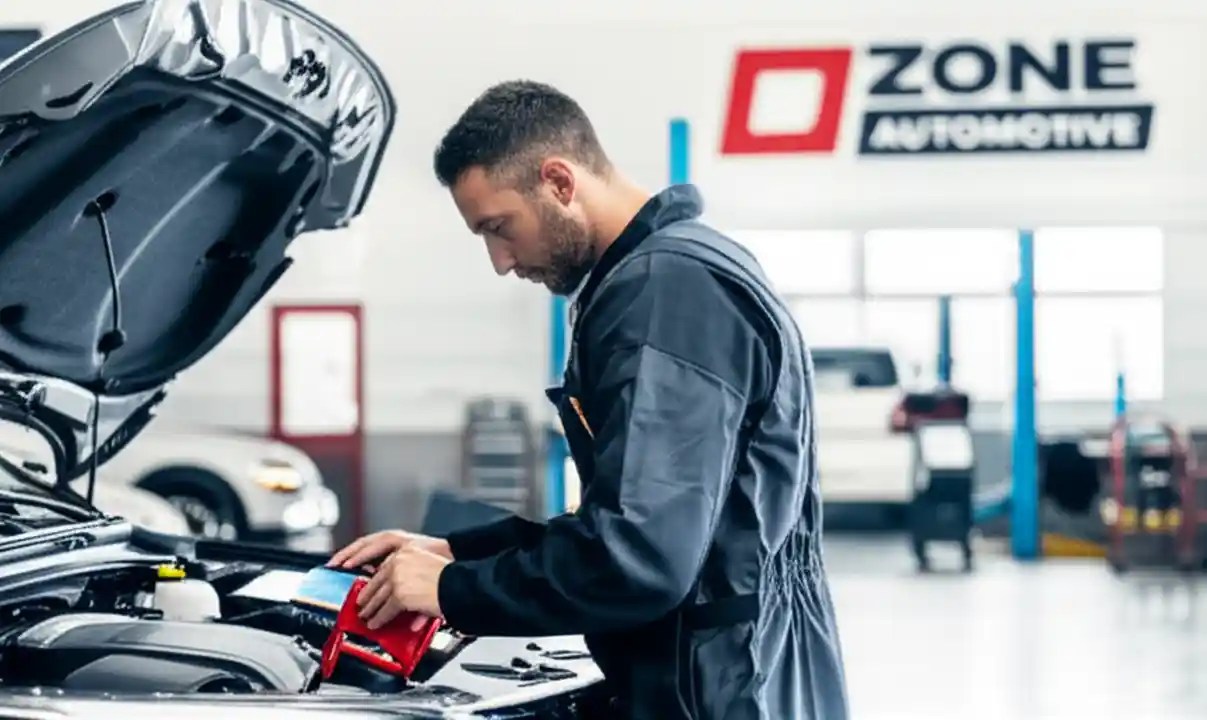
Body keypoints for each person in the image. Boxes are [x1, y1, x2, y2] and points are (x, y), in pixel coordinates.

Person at [328, 80, 850, 719]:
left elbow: (639, 556)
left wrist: (455, 589)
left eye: (499, 228)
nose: (499, 261)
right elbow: (646, 518)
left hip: (719, 688)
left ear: (558, 182)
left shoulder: (664, 292)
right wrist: (458, 552)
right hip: (728, 667)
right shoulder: (676, 270)